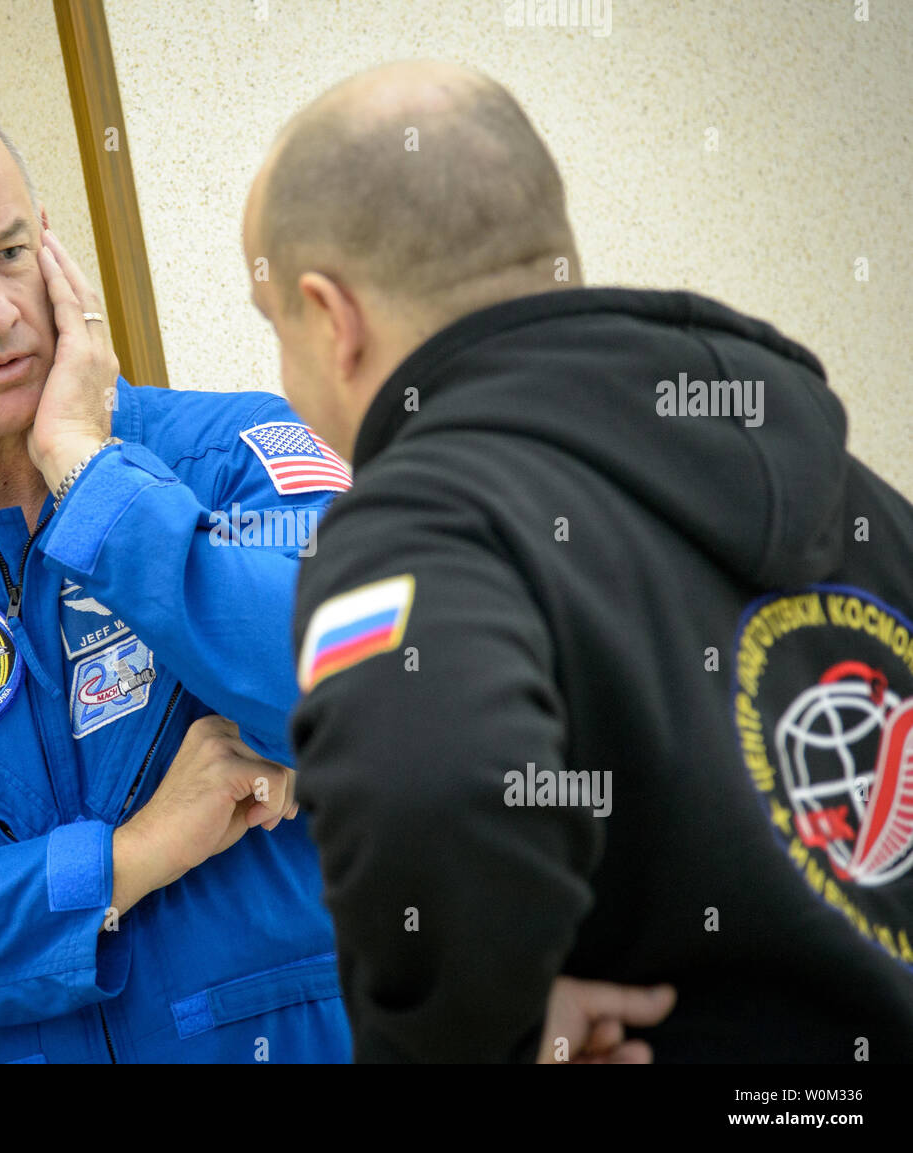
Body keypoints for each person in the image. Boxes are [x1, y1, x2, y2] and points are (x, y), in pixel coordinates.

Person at [0, 88, 669, 1063]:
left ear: (49, 241)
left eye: (7, 254)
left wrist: (93, 483)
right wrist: (124, 862)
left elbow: (381, 700)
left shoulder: (242, 455)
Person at [243, 60, 913, 1062]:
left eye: (277, 336)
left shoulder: (419, 519)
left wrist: (480, 1039)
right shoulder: (862, 497)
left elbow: (434, 789)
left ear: (332, 318)